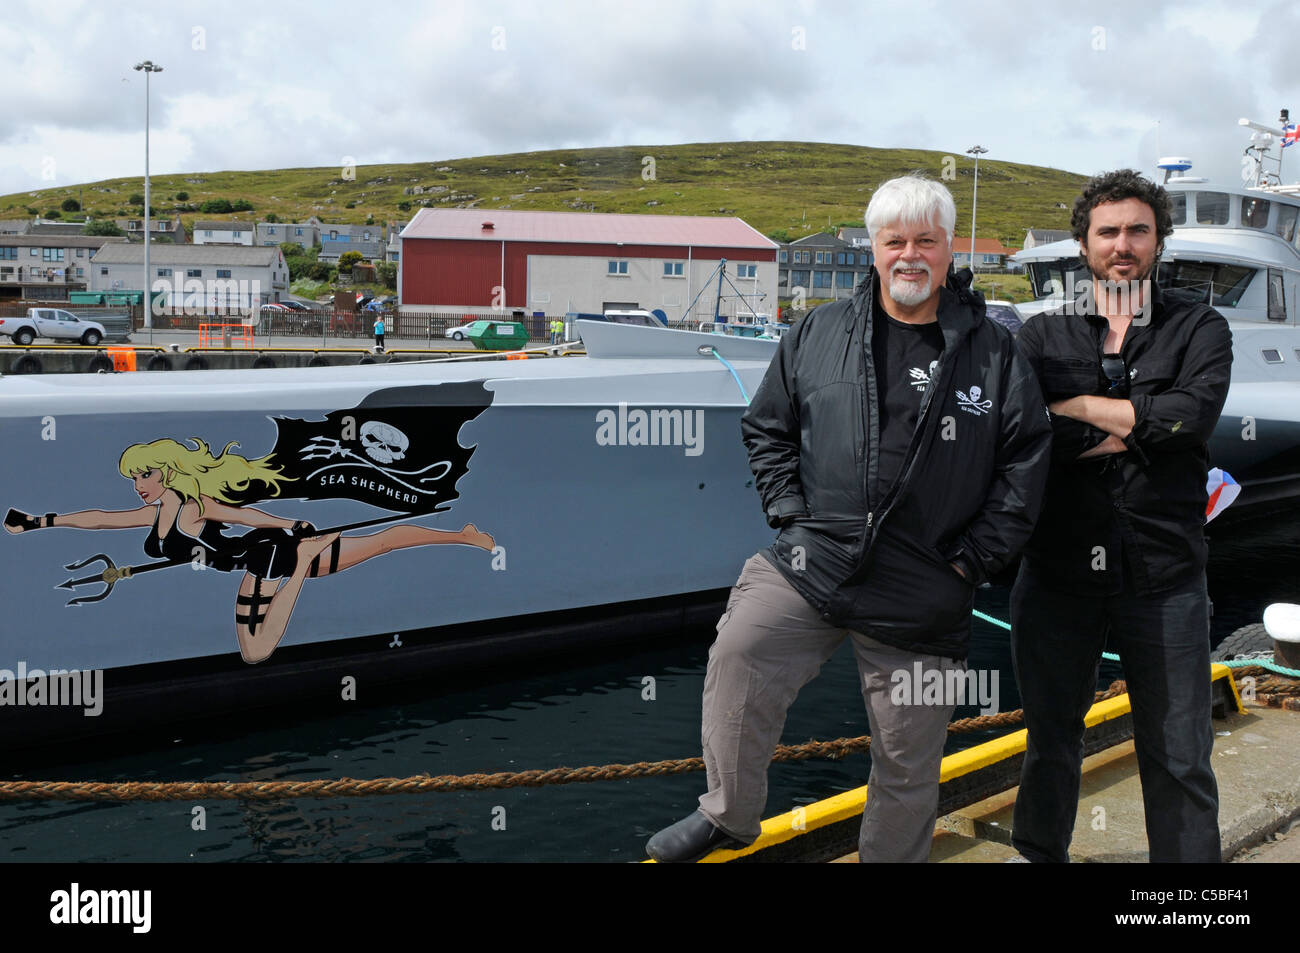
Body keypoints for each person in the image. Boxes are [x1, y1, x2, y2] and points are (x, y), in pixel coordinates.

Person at [645, 174, 1052, 863]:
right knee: (740, 652)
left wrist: (972, 561)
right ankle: (728, 812)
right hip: (815, 559)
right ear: (874, 247)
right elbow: (767, 427)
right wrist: (789, 515)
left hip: (926, 583)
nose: (910, 255)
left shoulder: (995, 352)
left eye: (927, 240)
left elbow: (1026, 465)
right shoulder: (819, 330)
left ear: (950, 249)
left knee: (906, 761)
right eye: (896, 240)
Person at [1009, 169, 1233, 863]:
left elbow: (1187, 420)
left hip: (1163, 576)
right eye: (1108, 231)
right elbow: (1022, 431)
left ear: (1159, 240)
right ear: (1084, 244)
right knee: (1051, 742)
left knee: (1179, 752)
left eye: (1138, 229)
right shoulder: (1041, 336)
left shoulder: (1201, 327)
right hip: (1056, 574)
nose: (1124, 244)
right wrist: (1134, 425)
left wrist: (1069, 408)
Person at [4, 438, 494, 664]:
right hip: (254, 559)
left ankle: (462, 535)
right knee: (378, 544)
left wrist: (290, 527)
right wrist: (38, 522)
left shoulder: (195, 503)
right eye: (133, 478)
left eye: (143, 476)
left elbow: (248, 516)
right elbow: (100, 520)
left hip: (271, 558)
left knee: (258, 650)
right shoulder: (160, 511)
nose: (136, 486)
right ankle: (462, 535)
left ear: (167, 472)